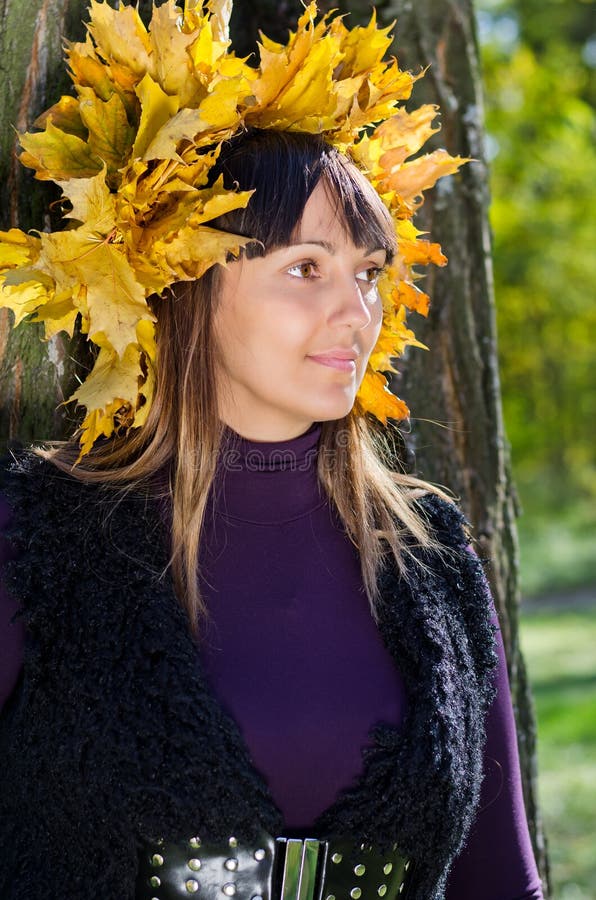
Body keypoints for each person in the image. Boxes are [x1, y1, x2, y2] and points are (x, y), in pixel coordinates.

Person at [0, 2, 543, 898]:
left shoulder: (430, 552)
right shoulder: (39, 534)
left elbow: (501, 880)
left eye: (368, 273)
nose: (356, 313)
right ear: (181, 285)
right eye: (305, 268)